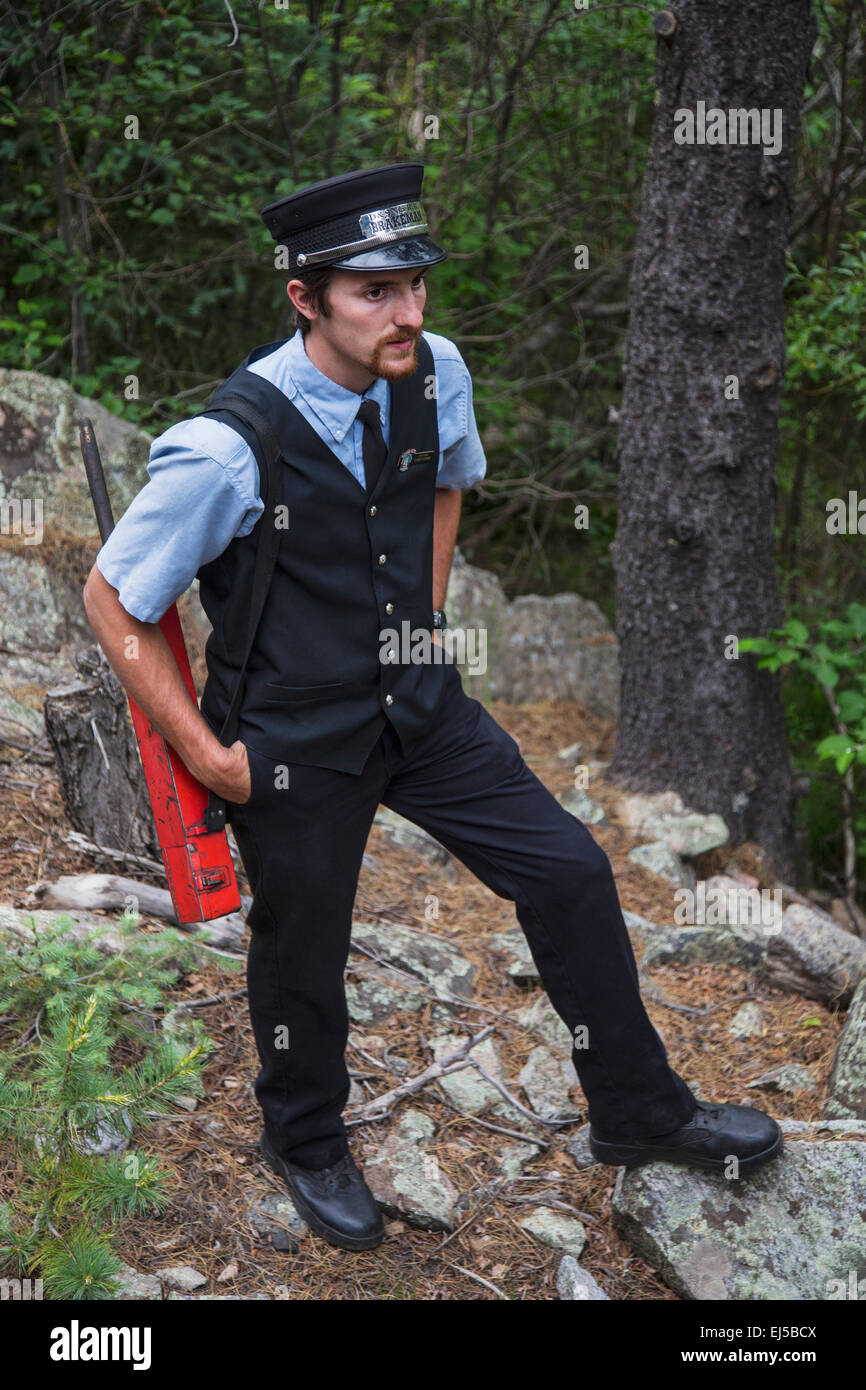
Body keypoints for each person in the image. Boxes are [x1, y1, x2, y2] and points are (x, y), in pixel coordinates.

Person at [83, 161, 782, 1255]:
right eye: (373, 291)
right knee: (303, 949)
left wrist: (427, 614)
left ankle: (636, 1110)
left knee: (569, 870)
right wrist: (212, 758)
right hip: (290, 739)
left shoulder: (433, 369)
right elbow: (113, 599)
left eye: (414, 282)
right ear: (304, 297)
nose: (405, 311)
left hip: (420, 706)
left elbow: (446, 482)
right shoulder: (224, 447)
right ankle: (305, 1136)